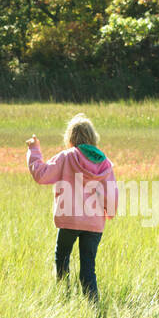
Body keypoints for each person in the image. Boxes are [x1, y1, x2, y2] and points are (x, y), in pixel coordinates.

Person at [26, 112, 117, 301]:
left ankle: (62, 298)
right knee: (88, 267)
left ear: (70, 137)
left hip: (69, 220)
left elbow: (41, 175)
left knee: (62, 259)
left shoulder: (67, 157)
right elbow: (111, 193)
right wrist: (110, 212)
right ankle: (93, 305)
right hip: (94, 224)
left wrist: (34, 150)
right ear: (93, 137)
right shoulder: (104, 163)